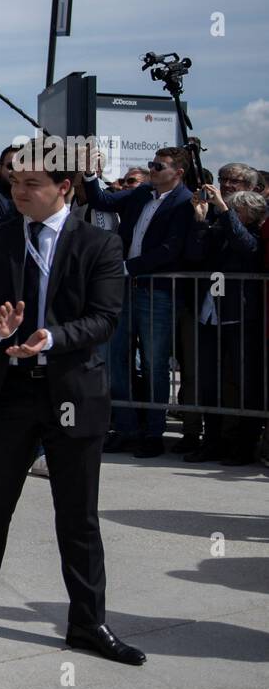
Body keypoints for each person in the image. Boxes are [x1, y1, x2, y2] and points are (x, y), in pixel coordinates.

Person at [0, 147, 144, 666]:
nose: (19, 191)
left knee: (77, 514)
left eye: (32, 183)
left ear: (65, 187)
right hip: (9, 393)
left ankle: (87, 622)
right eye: (15, 181)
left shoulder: (99, 243)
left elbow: (105, 318)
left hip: (73, 392)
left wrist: (50, 338)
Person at [83, 147, 195, 457]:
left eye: (159, 166)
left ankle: (154, 432)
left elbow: (171, 249)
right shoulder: (143, 193)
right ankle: (126, 428)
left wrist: (127, 267)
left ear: (178, 173)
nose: (153, 169)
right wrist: (90, 173)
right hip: (125, 288)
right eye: (151, 164)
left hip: (156, 291)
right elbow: (102, 201)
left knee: (154, 364)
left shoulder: (184, 201)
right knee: (114, 359)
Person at [183, 183, 265, 464]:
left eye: (235, 209)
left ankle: (244, 446)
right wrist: (200, 220)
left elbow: (247, 247)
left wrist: (223, 209)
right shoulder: (220, 231)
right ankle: (212, 442)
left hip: (240, 316)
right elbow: (195, 254)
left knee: (245, 383)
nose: (227, 212)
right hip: (210, 313)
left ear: (251, 214)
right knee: (209, 382)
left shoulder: (254, 234)